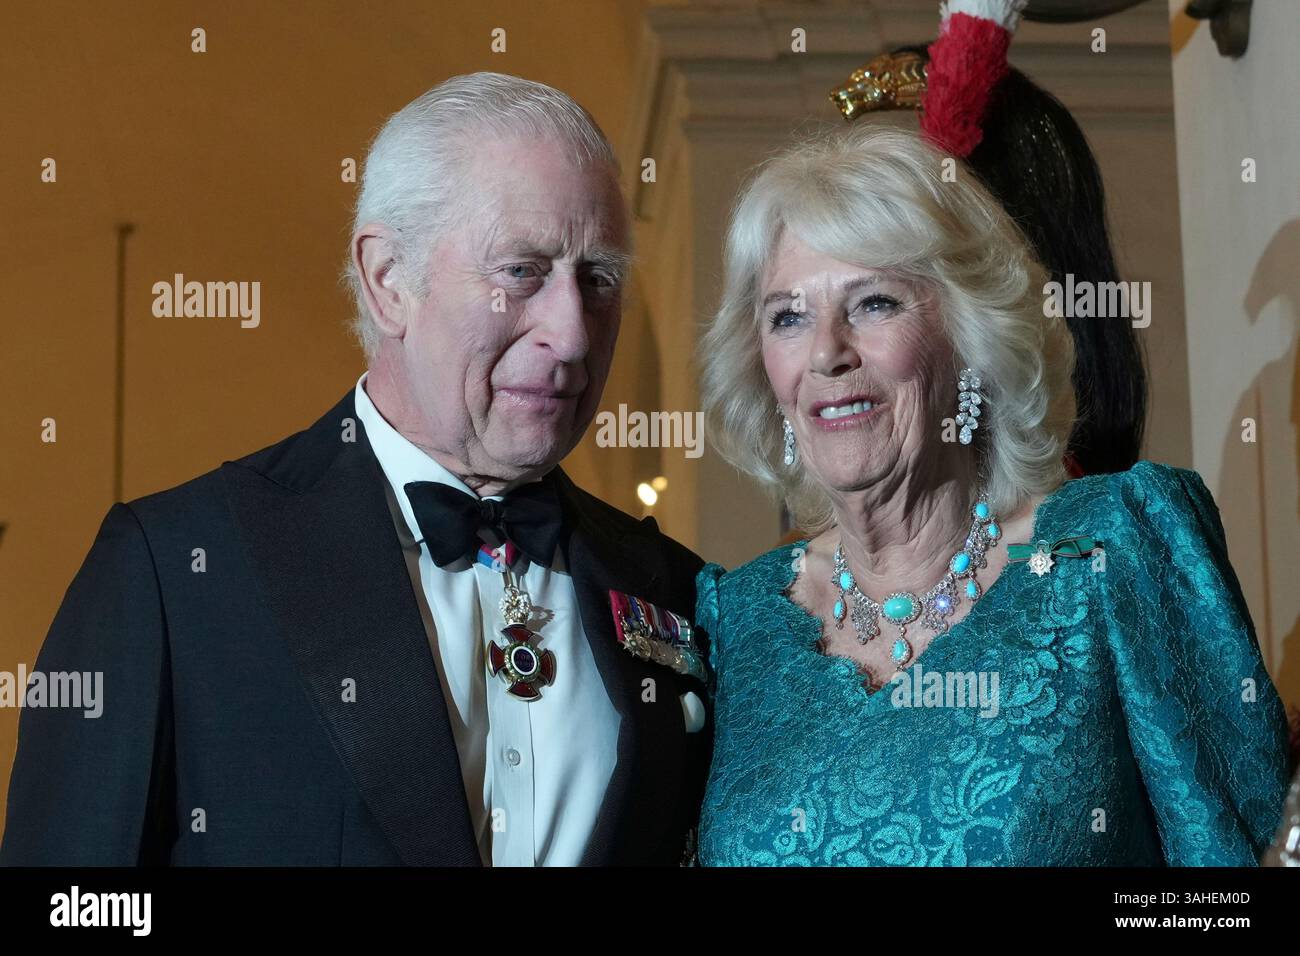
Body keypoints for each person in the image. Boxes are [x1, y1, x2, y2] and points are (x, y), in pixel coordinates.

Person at [1, 72, 709, 867]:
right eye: (521, 271)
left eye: (599, 278)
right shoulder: (174, 567)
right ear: (388, 279)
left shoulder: (676, 589)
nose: (572, 334)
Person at [693, 122, 1290, 865]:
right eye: (788, 316)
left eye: (874, 302)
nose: (826, 353)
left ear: (970, 335)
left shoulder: (1110, 550)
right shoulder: (735, 622)